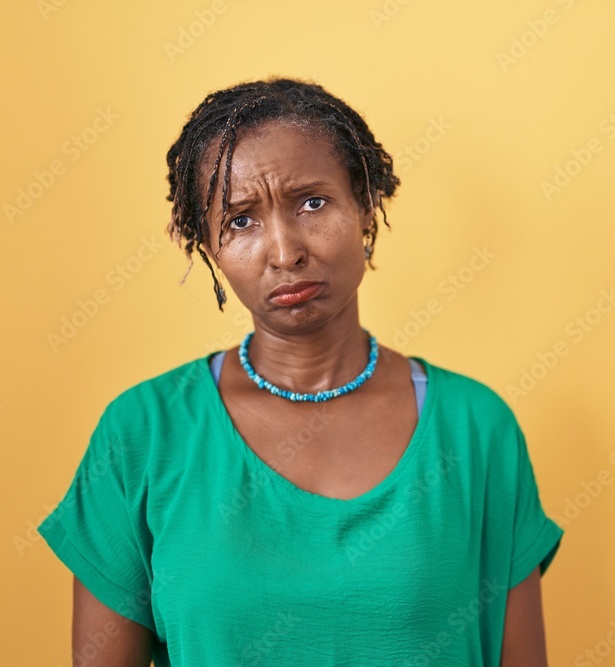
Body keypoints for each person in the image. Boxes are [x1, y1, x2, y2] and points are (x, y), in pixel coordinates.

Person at [38, 76, 564, 666]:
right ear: (206, 245)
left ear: (366, 206)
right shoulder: (142, 435)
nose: (284, 251)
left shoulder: (476, 429)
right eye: (240, 221)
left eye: (312, 203)